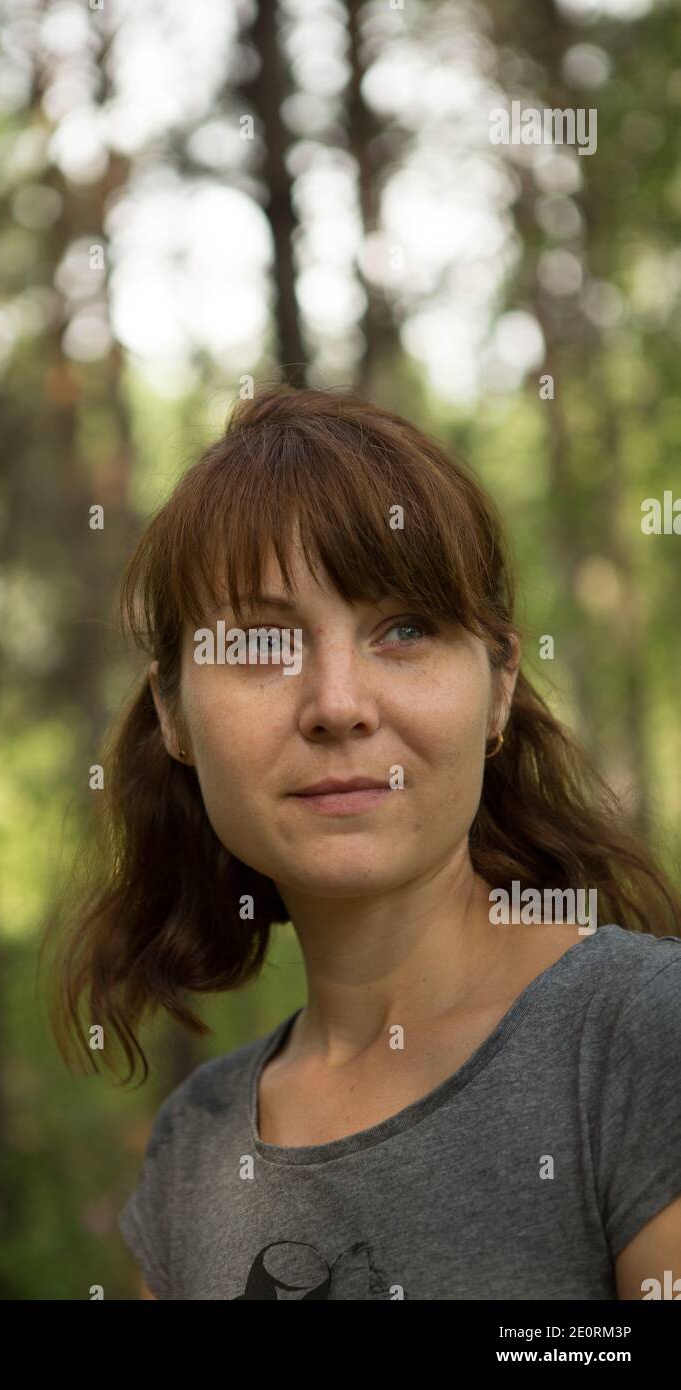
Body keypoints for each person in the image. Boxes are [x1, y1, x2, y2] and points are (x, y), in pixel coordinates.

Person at [43, 385, 681, 1300]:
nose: (337, 703)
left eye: (405, 629)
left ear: (499, 687)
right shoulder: (195, 1149)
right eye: (262, 644)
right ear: (172, 714)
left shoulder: (642, 1040)